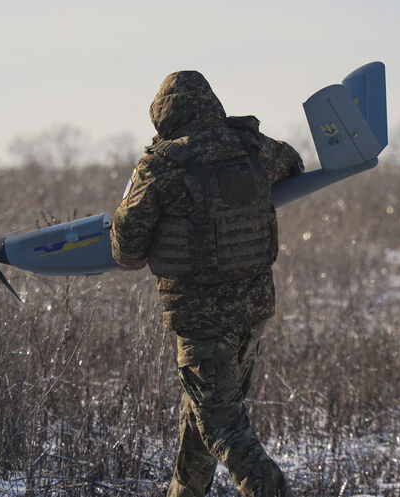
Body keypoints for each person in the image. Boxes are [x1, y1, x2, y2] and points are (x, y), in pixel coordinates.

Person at [111, 71, 304, 497]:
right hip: (252, 313)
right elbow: (293, 164)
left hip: (200, 322)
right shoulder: (253, 147)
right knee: (202, 421)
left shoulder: (160, 166)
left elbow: (126, 249)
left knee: (223, 427)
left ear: (164, 115)